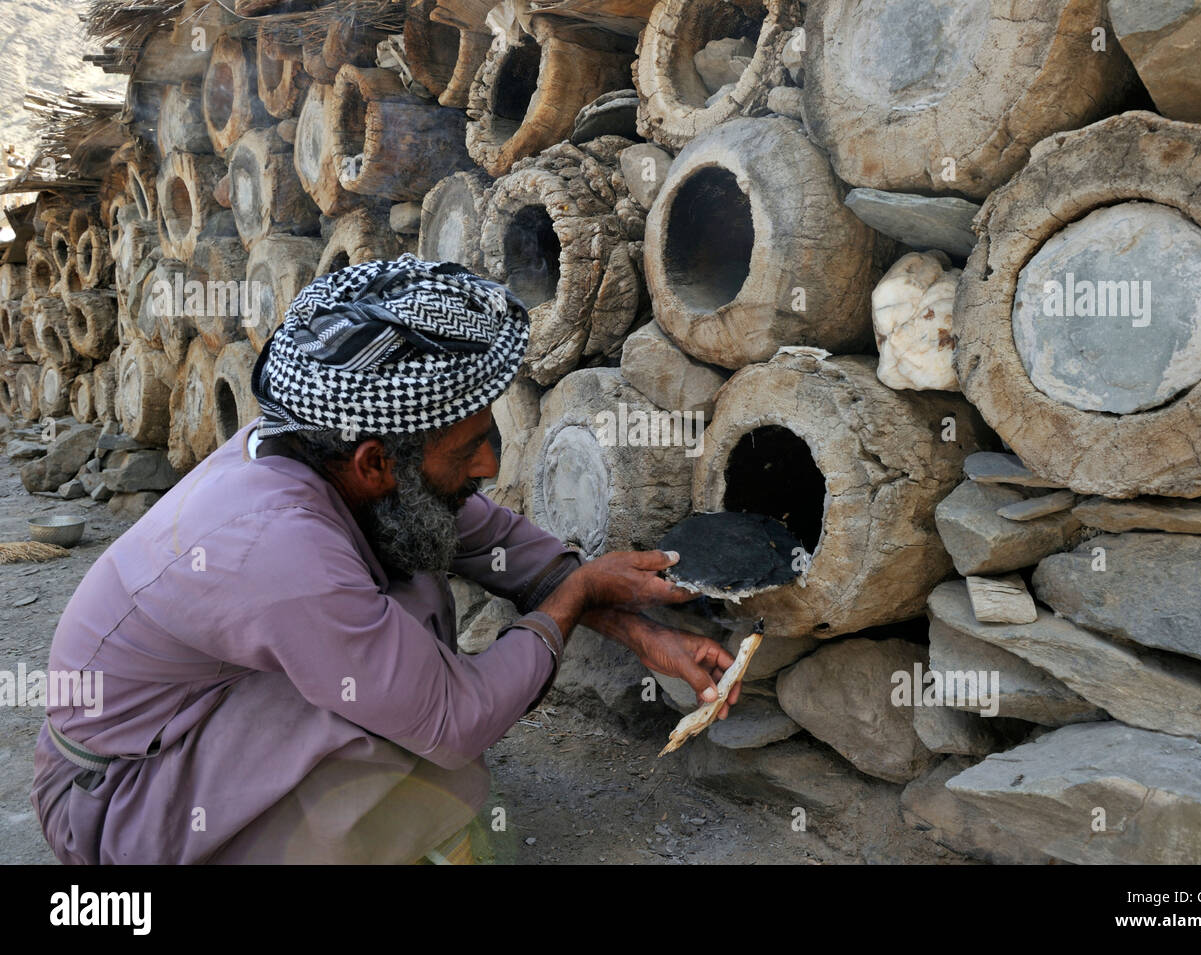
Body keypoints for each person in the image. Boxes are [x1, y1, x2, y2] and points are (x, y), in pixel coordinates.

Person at [31, 254, 740, 864]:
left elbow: (495, 546)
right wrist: (574, 598)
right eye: (470, 448)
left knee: (409, 610)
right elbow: (456, 716)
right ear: (376, 462)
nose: (492, 463)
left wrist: (643, 630)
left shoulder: (324, 451)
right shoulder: (283, 548)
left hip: (171, 738)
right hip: (111, 802)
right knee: (396, 731)